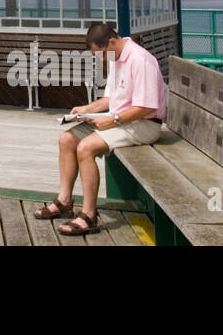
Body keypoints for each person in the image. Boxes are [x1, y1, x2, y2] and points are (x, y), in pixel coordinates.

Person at [32, 22, 166, 236]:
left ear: (111, 42)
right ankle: (64, 201)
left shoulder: (141, 60)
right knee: (67, 140)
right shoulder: (115, 56)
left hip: (145, 124)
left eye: (102, 54)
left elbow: (147, 106)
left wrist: (113, 120)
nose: (102, 59)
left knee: (85, 148)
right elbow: (110, 99)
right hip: (120, 119)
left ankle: (89, 216)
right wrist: (86, 109)